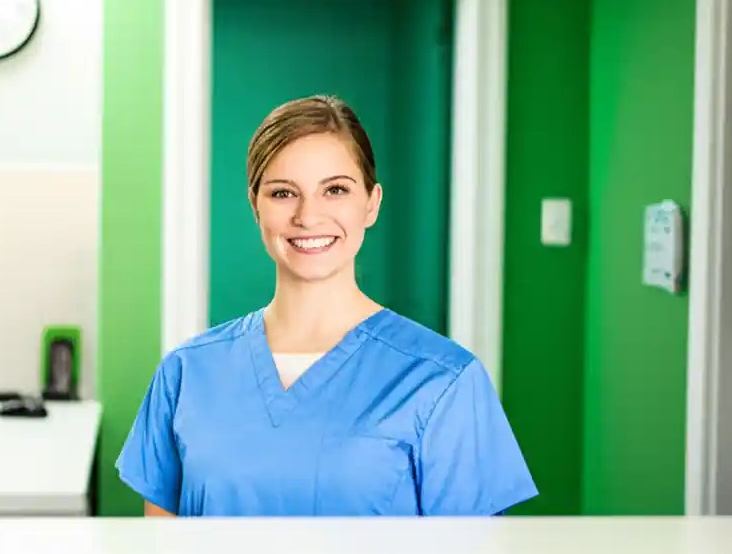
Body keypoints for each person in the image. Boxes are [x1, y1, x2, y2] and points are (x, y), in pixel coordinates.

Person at [116, 94, 537, 517]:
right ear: (254, 206)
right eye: (283, 193)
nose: (308, 216)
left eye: (335, 190)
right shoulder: (187, 374)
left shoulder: (444, 382)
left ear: (371, 203)